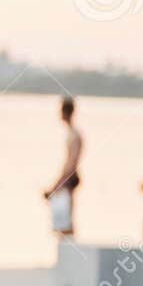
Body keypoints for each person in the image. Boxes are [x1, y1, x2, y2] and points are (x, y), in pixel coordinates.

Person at [44, 96, 83, 237]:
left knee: (65, 221)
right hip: (67, 179)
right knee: (62, 220)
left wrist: (58, 185)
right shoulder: (72, 134)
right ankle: (65, 249)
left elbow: (71, 164)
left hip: (69, 179)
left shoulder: (74, 135)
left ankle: (69, 250)